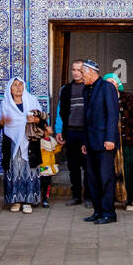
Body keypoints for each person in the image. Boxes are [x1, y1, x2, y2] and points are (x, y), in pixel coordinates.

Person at [80, 59, 119, 224]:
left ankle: (109, 213)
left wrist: (110, 138)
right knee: (93, 179)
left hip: (104, 142)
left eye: (82, 72)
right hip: (91, 142)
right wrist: (84, 141)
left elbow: (112, 114)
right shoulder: (86, 90)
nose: (80, 75)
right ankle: (98, 211)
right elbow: (86, 118)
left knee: (105, 178)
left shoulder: (106, 87)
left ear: (90, 72)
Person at [0, 77, 43, 213]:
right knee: (14, 170)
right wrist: (3, 121)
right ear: (10, 89)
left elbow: (42, 120)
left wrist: (34, 119)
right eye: (15, 85)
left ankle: (29, 201)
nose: (18, 87)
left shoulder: (32, 100)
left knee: (29, 170)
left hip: (29, 141)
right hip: (12, 142)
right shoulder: (5, 103)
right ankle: (15, 201)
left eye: (21, 85)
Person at [107, 73, 133, 212]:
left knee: (127, 171)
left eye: (113, 81)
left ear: (118, 84)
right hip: (111, 142)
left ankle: (129, 200)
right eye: (108, 82)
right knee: (111, 171)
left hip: (127, 141)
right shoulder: (104, 98)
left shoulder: (128, 98)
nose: (111, 84)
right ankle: (113, 199)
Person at [55, 60, 88, 206]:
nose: (76, 72)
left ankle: (89, 197)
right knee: (73, 167)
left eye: (79, 70)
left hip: (86, 133)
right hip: (71, 133)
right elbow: (60, 112)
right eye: (73, 69)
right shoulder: (66, 89)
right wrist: (59, 130)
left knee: (88, 166)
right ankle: (76, 196)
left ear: (84, 71)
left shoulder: (90, 88)